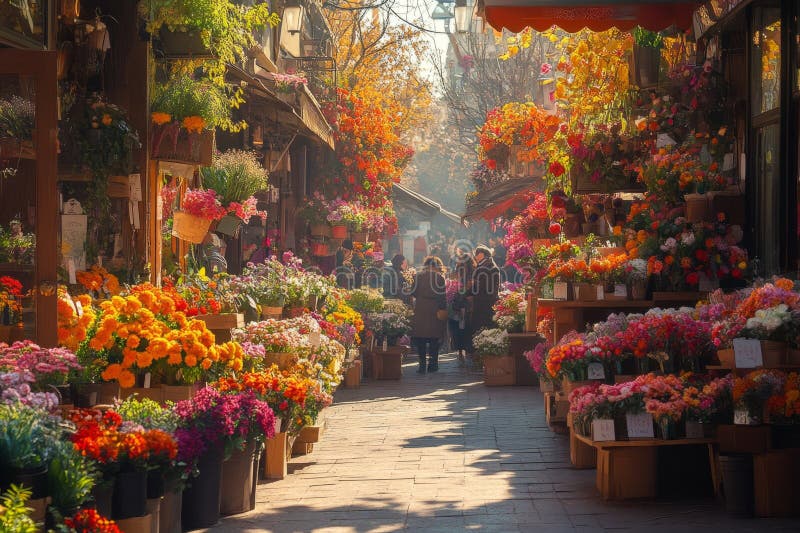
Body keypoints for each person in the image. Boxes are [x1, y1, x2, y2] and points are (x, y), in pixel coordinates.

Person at [410, 256, 447, 373]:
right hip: (434, 309)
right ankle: (433, 364)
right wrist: (442, 309)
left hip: (421, 308)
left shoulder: (418, 276)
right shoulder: (440, 278)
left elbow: (413, 292)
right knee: (434, 339)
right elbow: (442, 296)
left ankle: (422, 365)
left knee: (420, 338)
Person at [449, 253, 475, 365]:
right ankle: (467, 351)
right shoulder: (473, 271)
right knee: (466, 328)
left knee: (459, 329)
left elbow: (456, 287)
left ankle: (461, 352)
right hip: (466, 304)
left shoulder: (460, 271)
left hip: (460, 304)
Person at [470, 245, 501, 335]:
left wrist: (472, 283)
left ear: (482, 254)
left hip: (483, 302)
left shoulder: (486, 266)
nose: (475, 257)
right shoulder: (488, 265)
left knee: (481, 329)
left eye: (476, 254)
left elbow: (483, 285)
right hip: (487, 301)